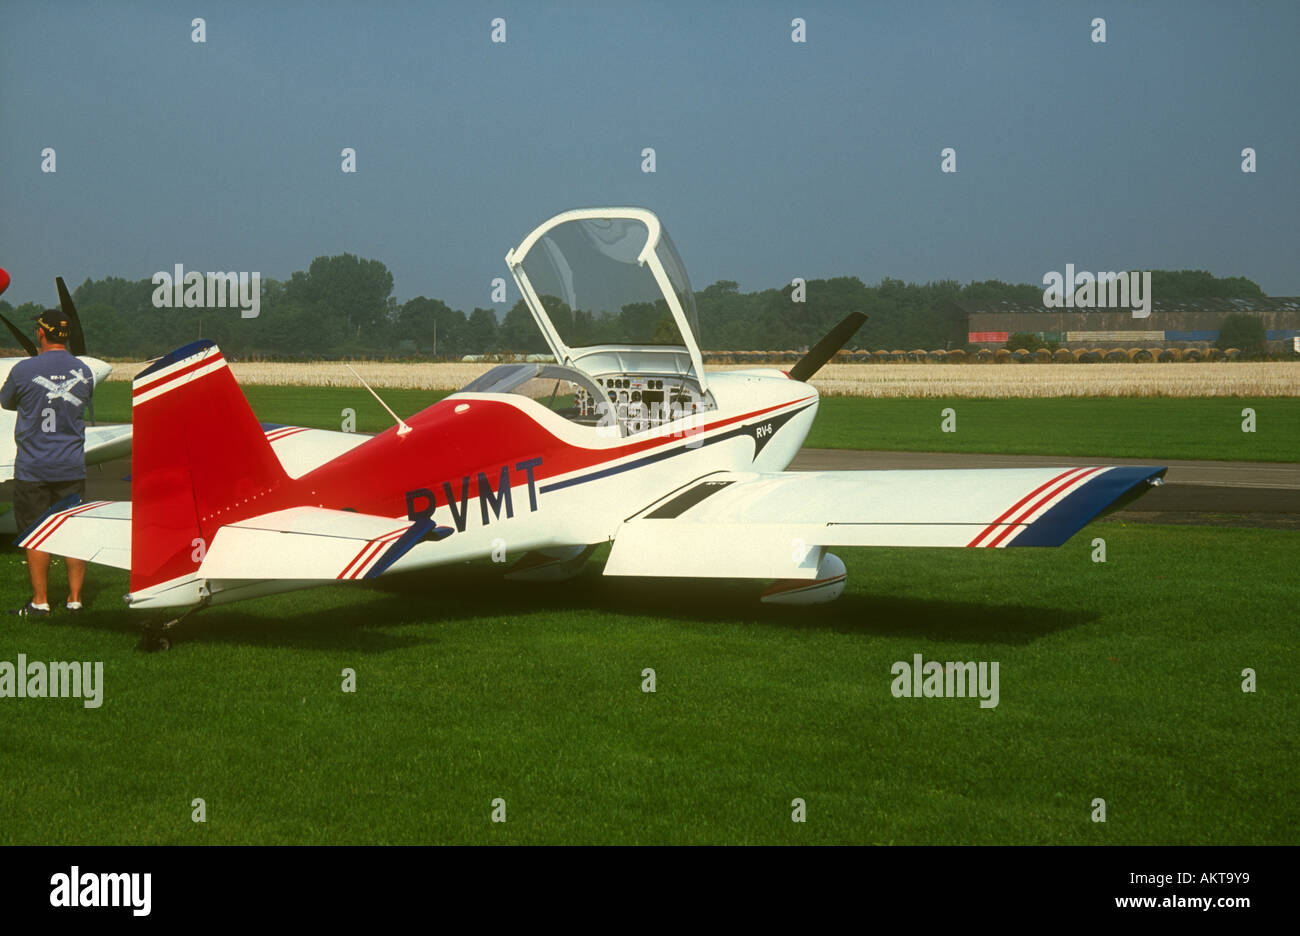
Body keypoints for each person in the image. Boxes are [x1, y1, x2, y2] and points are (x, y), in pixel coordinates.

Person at [1, 309, 93, 617]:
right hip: (70, 465)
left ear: (41, 333)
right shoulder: (84, 370)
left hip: (33, 467)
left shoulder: (23, 370)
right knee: (73, 530)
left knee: (36, 532)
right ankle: (75, 598)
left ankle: (40, 601)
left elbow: (6, 401)